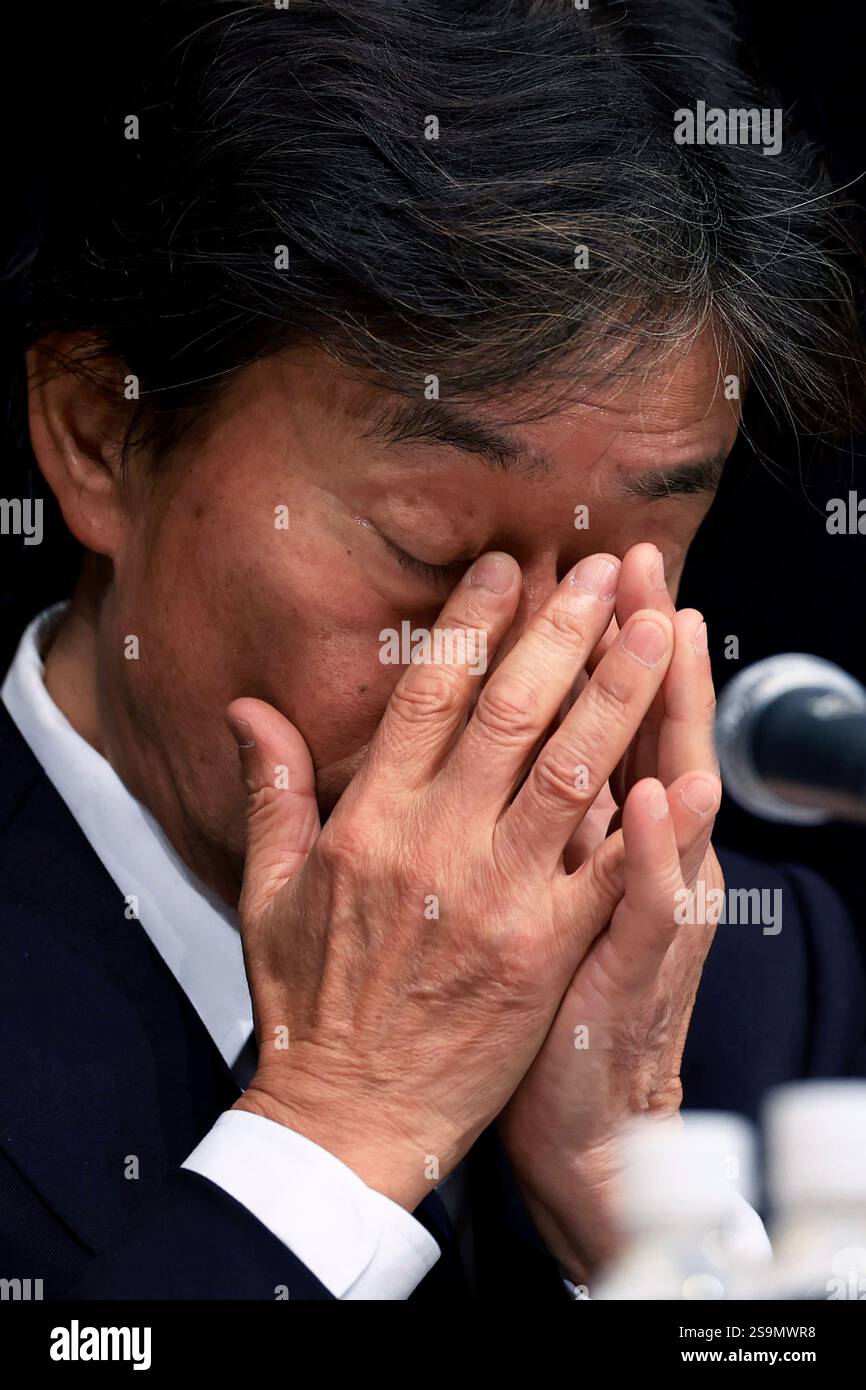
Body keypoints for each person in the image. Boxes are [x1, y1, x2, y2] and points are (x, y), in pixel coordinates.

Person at [1, 0, 864, 1299]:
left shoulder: (750, 976)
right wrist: (341, 1126)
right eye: (427, 550)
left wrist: (644, 1225)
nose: (520, 682)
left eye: (615, 570)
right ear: (98, 436)